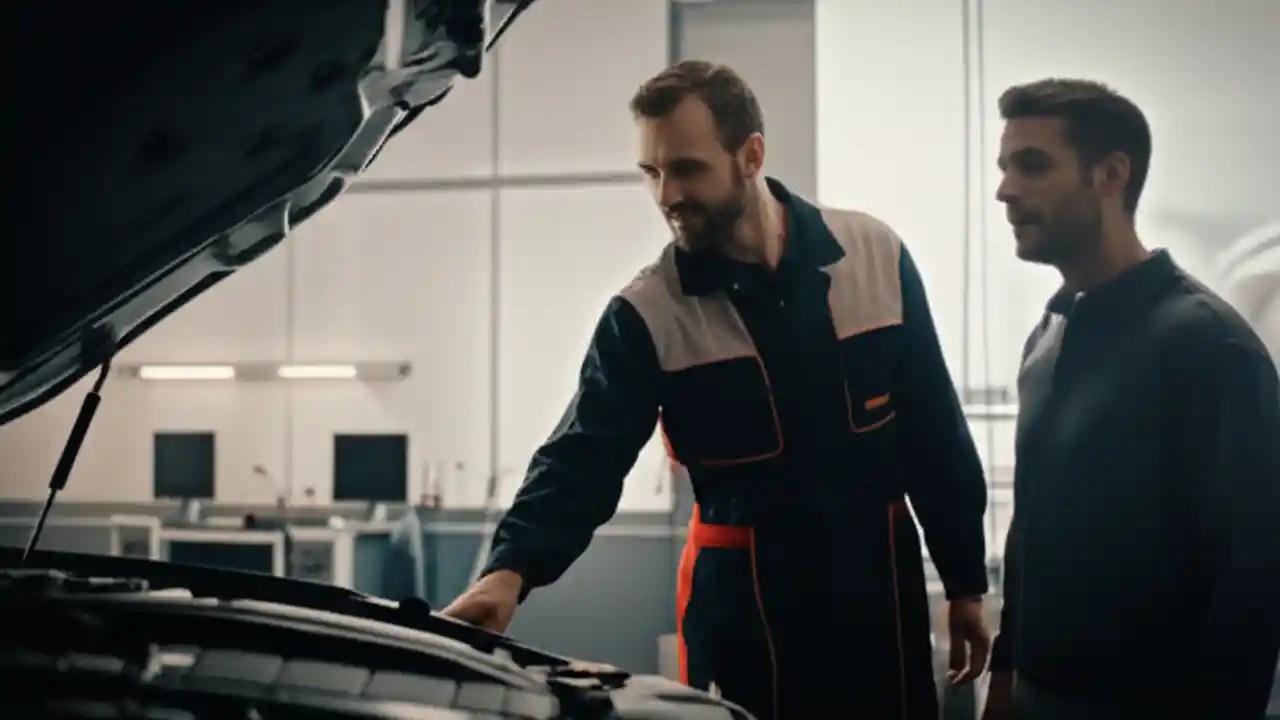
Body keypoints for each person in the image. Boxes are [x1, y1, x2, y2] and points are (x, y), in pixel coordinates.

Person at [442, 60, 993, 720]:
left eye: (687, 168)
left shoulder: (872, 255)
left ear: (750, 155)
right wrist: (509, 573)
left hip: (878, 590)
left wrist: (964, 582)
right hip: (745, 609)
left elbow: (934, 429)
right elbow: (582, 457)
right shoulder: (648, 314)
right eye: (651, 172)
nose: (666, 192)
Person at [981, 78, 1280, 720]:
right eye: (1004, 166)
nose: (1005, 189)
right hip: (1036, 694)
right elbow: (1029, 530)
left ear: (1110, 174)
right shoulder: (1050, 334)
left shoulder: (1207, 345)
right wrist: (1005, 673)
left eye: (1032, 164)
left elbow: (1253, 574)